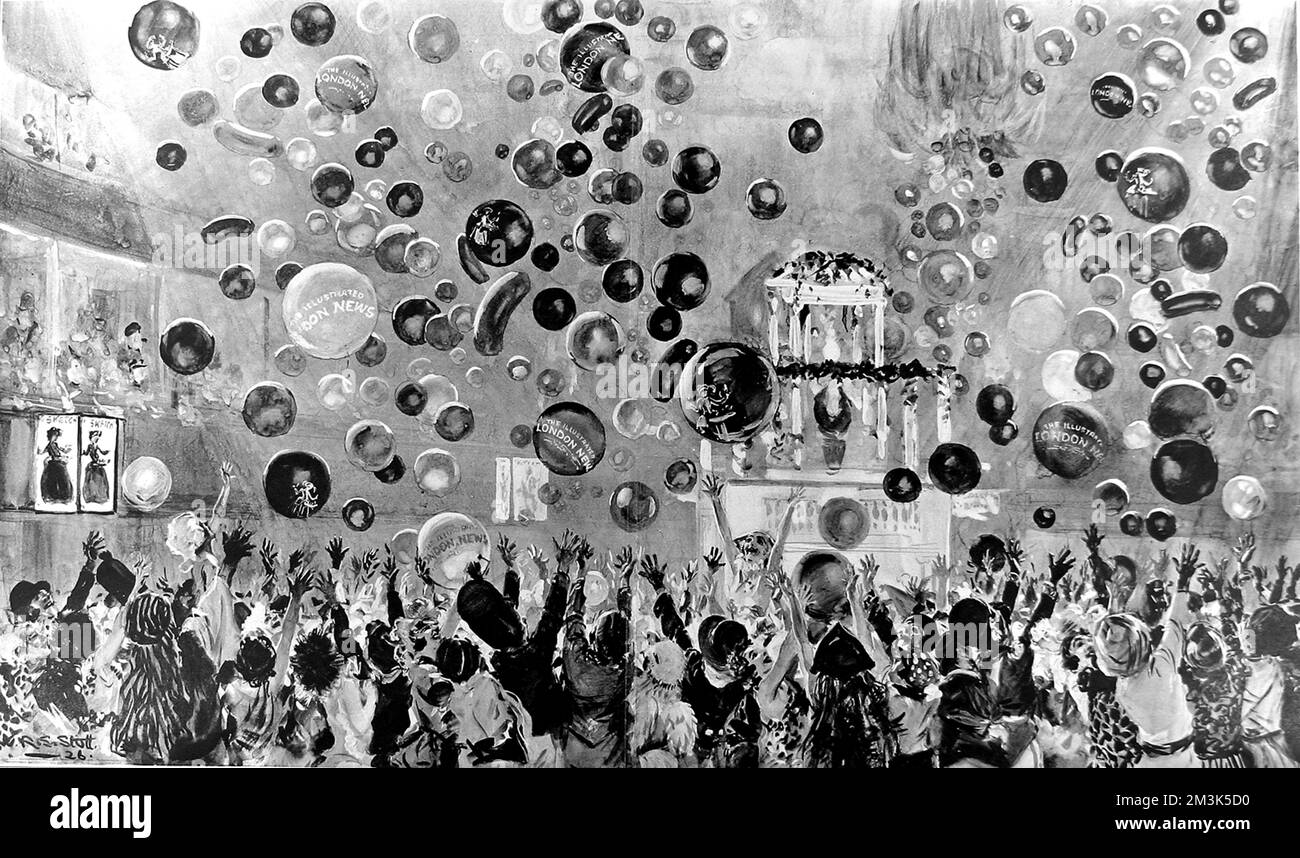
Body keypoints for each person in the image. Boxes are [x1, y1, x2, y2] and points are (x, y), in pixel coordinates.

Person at [1094, 544, 1200, 768]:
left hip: (1150, 759)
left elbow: (1115, 644)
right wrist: (1183, 583)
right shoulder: (1159, 670)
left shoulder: (1123, 682)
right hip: (1180, 758)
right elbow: (1175, 626)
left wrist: (1115, 602)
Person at [39, 426, 73, 504]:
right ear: (50, 436)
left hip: (58, 462)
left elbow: (61, 450)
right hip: (54, 464)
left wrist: (66, 451)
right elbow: (45, 452)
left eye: (56, 436)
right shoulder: (49, 445)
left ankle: (63, 496)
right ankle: (53, 496)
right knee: (53, 480)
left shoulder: (56, 444)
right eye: (54, 436)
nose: (55, 438)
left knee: (63, 479)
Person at [80, 430, 110, 504]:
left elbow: (102, 452)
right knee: (92, 479)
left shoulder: (96, 445)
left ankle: (99, 495)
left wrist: (106, 452)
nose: (96, 439)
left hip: (97, 463)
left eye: (97, 438)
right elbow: (87, 453)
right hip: (93, 464)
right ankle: (92, 496)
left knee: (100, 480)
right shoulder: (90, 446)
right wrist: (83, 453)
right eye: (95, 437)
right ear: (91, 438)